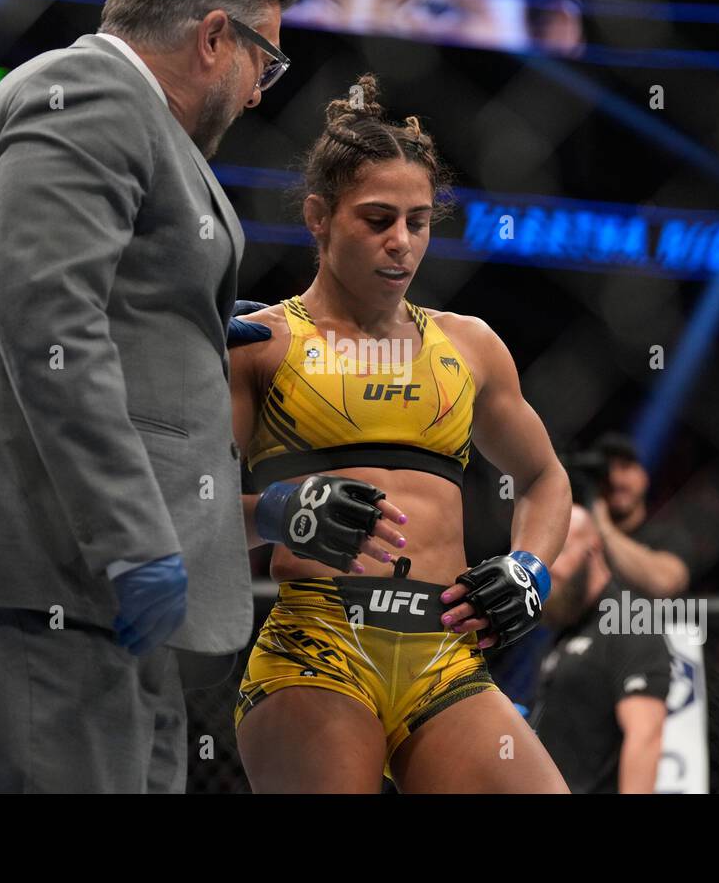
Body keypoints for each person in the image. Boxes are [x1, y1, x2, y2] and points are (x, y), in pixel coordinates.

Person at [0, 0, 300, 792]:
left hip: (87, 583)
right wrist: (135, 540)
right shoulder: (89, 93)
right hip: (46, 566)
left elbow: (84, 300)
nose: (259, 94)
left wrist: (195, 324)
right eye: (267, 62)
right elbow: (46, 318)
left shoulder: (122, 114)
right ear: (215, 36)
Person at [230, 74, 573, 793]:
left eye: (417, 222)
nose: (402, 244)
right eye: (378, 219)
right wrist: (272, 512)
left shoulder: (471, 346)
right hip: (315, 648)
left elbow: (544, 478)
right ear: (319, 217)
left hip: (444, 655)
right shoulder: (261, 344)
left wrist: (528, 570)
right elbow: (180, 504)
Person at [530, 502, 669, 793]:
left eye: (558, 554)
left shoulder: (628, 620)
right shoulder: (569, 627)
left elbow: (645, 733)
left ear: (591, 549)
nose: (548, 572)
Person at [591, 432, 694, 598]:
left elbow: (664, 584)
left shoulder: (669, 536)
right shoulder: (583, 538)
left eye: (625, 467)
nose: (615, 479)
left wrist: (603, 527)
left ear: (644, 476)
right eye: (605, 471)